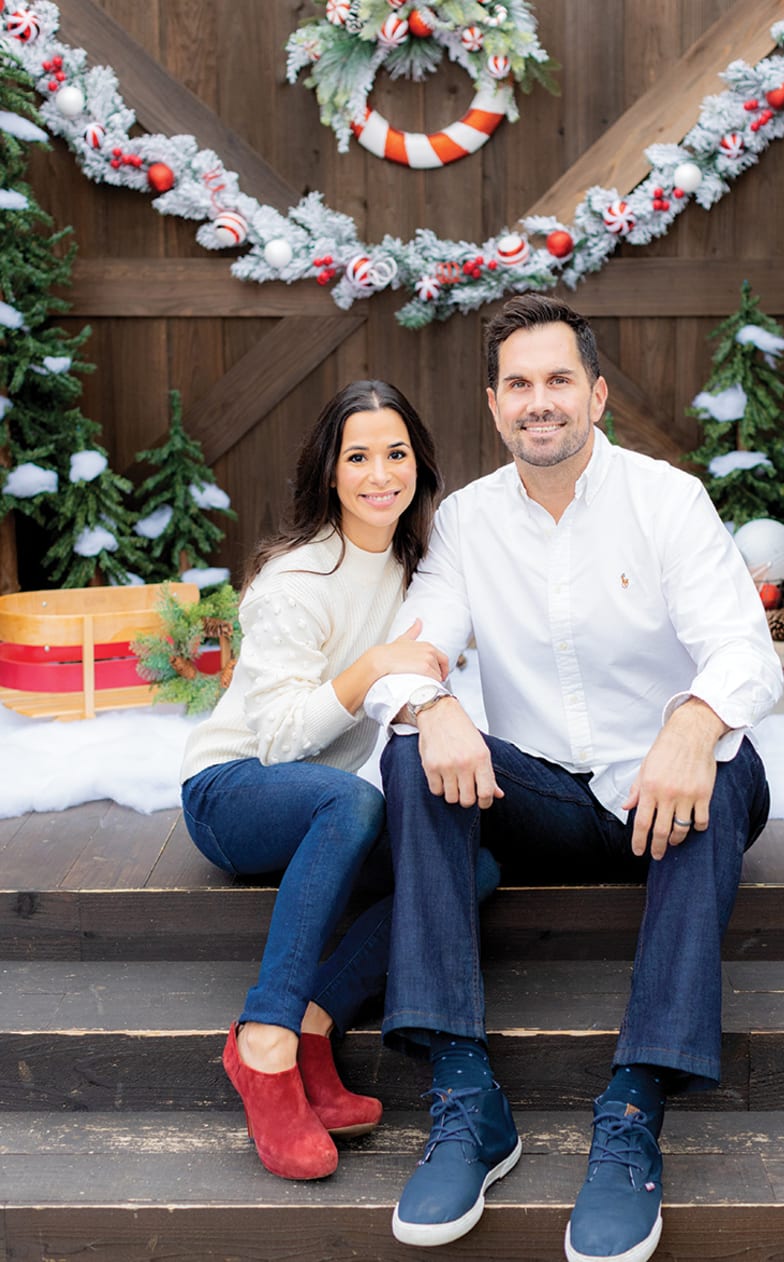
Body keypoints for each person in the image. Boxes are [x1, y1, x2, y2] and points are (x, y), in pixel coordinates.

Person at [363, 294, 783, 1262]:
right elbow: (405, 656)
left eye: (557, 380)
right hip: (547, 798)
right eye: (518, 384)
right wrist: (432, 707)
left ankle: (633, 1105)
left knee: (725, 761)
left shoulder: (664, 500)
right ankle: (467, 1096)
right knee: (409, 747)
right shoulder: (463, 522)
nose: (537, 401)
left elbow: (745, 654)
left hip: (671, 796)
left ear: (594, 394)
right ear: (493, 403)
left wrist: (692, 717)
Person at [180, 379, 448, 1182]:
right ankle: (263, 1042)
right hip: (234, 791)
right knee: (352, 799)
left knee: (469, 863)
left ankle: (314, 1021)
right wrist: (372, 667)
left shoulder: (417, 567)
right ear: (328, 473)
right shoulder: (295, 584)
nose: (379, 474)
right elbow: (280, 738)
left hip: (327, 809)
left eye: (395, 453)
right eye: (357, 456)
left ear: (418, 464)